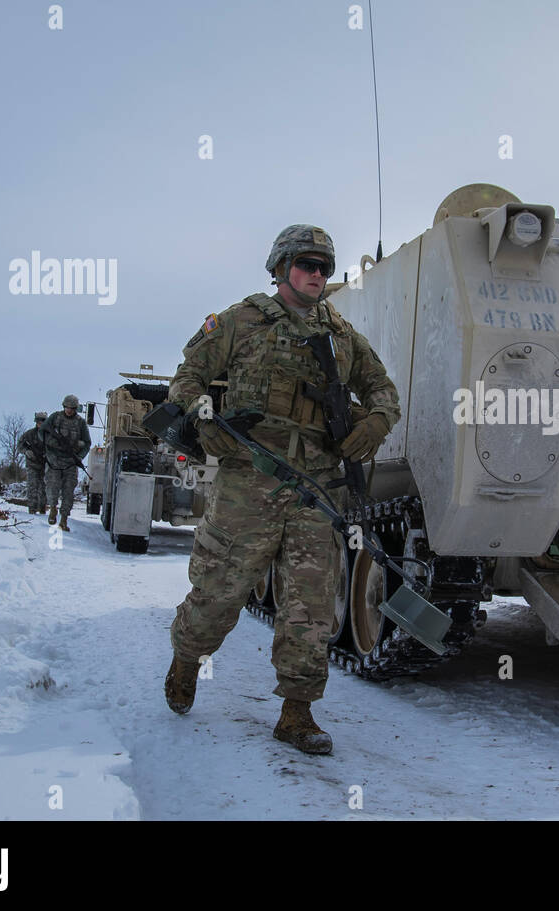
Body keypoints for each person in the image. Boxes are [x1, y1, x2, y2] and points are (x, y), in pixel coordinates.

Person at [164, 224, 399, 755]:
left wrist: (375, 423)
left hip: (316, 485)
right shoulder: (240, 322)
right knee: (220, 591)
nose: (317, 276)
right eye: (306, 265)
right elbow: (188, 379)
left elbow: (382, 390)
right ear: (280, 268)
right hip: (251, 476)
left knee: (311, 607)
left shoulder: (341, 336)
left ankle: (297, 713)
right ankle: (186, 661)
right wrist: (206, 422)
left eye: (324, 268)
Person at [40, 395, 91, 532]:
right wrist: (49, 447)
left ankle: (64, 520)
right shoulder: (55, 418)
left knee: (68, 492)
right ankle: (52, 509)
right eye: (67, 407)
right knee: (52, 488)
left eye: (72, 408)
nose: (69, 410)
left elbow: (87, 443)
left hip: (70, 462)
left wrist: (79, 457)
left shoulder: (80, 423)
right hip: (54, 461)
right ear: (64, 406)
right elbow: (42, 433)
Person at [19, 412, 48, 514]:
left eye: (42, 421)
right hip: (32, 465)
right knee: (32, 487)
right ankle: (32, 510)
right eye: (38, 421)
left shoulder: (50, 435)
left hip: (45, 465)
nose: (40, 423)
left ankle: (42, 509)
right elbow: (20, 445)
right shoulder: (29, 434)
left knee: (44, 488)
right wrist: (26, 451)